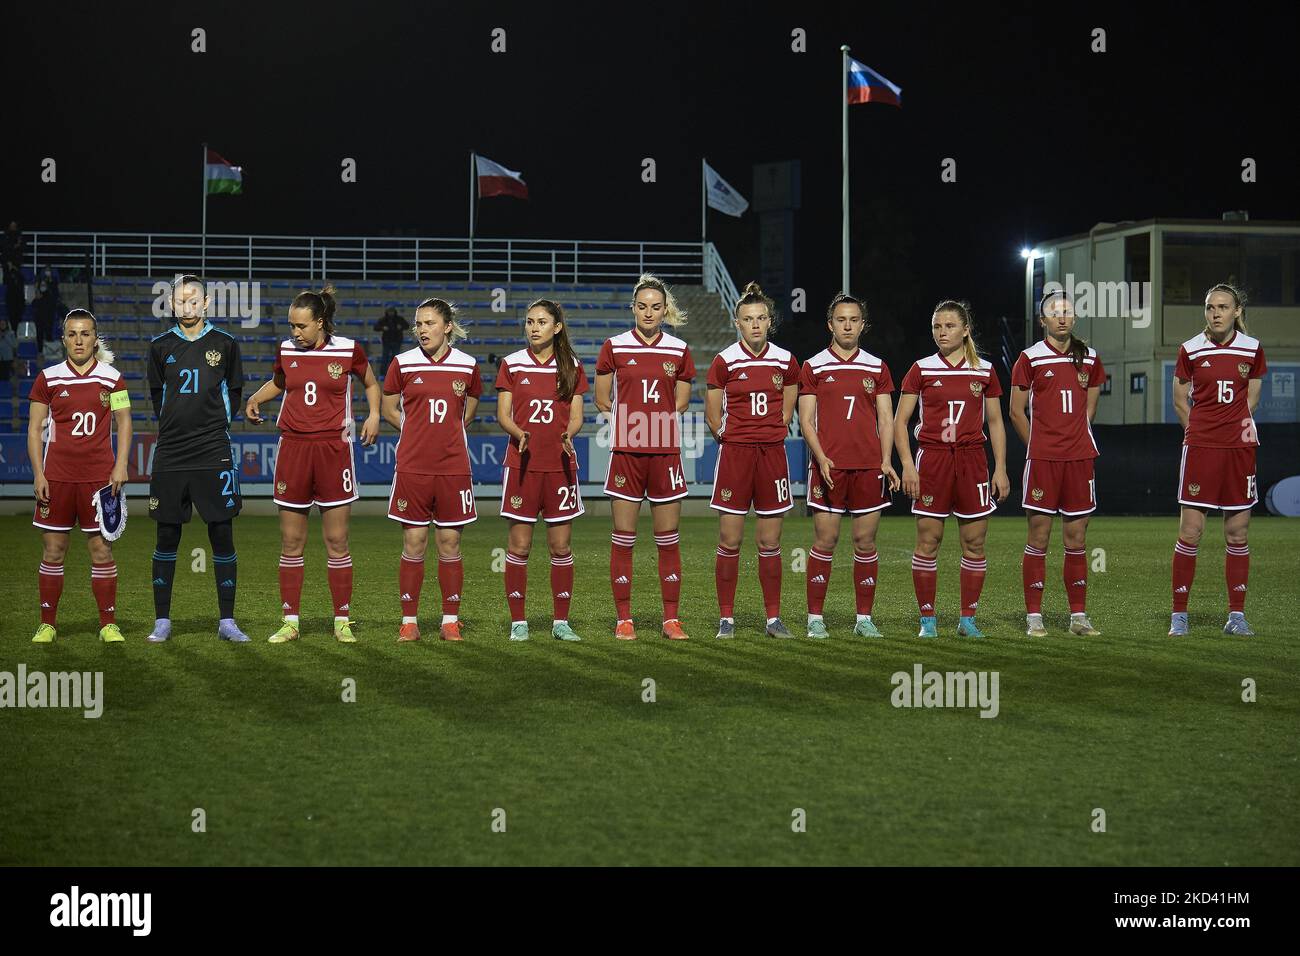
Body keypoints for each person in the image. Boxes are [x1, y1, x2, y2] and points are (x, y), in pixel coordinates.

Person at [245, 284, 381, 644]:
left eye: (301, 326)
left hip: (334, 451)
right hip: (293, 449)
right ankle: (290, 621)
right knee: (291, 541)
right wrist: (256, 398)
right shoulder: (286, 350)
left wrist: (374, 415)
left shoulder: (349, 350)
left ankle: (342, 621)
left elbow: (370, 383)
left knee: (337, 540)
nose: (295, 333)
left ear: (320, 323)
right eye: (292, 326)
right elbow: (280, 383)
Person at [894, 300, 1009, 638]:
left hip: (972, 461)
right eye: (936, 327)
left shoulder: (984, 371)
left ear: (965, 329)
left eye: (949, 326)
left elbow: (997, 422)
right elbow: (900, 422)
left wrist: (1000, 468)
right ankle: (927, 620)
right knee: (929, 540)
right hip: (932, 460)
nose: (942, 332)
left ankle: (967, 619)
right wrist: (906, 465)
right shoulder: (921, 369)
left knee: (974, 541)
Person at [145, 274, 249, 643]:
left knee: (221, 532)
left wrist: (210, 425)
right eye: (181, 300)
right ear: (172, 304)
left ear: (206, 304)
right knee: (167, 533)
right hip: (171, 453)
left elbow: (234, 393)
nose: (187, 306)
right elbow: (158, 397)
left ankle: (227, 621)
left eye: (194, 300)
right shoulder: (159, 347)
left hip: (212, 451)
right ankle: (162, 620)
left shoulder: (225, 343)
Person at [594, 274, 695, 641]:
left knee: (668, 536)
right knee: (624, 535)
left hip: (665, 453)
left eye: (656, 307)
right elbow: (602, 398)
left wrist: (656, 426)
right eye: (642, 306)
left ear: (664, 309)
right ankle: (624, 619)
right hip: (626, 453)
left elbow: (682, 402)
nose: (649, 313)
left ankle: (671, 620)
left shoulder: (679, 350)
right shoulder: (615, 346)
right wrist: (628, 425)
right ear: (633, 309)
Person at [797, 292, 900, 639]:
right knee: (825, 541)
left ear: (863, 325)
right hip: (829, 467)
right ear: (830, 324)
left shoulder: (877, 366)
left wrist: (886, 460)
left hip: (869, 466)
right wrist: (821, 456)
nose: (847, 325)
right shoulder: (813, 366)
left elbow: (886, 419)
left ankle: (864, 619)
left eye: (854, 320)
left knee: (865, 543)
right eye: (841, 319)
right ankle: (815, 618)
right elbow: (806, 420)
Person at [27, 310, 131, 643]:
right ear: (63, 339)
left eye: (85, 334)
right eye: (72, 334)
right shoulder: (48, 377)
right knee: (53, 550)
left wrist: (121, 464)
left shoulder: (112, 378)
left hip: (99, 479)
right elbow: (34, 429)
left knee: (102, 551)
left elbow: (125, 422)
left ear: (95, 337)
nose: (79, 340)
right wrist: (38, 473)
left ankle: (108, 624)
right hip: (56, 478)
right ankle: (47, 624)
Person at [1169, 283, 1266, 637]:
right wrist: (1198, 433)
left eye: (1223, 307)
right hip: (1201, 450)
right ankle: (1179, 615)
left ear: (1237, 310)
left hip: (1239, 449)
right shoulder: (1190, 350)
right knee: (1191, 532)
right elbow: (1180, 400)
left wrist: (1232, 429)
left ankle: (1236, 617)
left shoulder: (1252, 349)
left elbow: (1252, 399)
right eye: (1210, 307)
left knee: (1237, 535)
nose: (1216, 313)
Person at [381, 298, 481, 642]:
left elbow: (469, 407)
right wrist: (415, 432)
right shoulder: (402, 363)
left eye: (429, 323)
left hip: (454, 468)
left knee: (450, 543)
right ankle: (409, 621)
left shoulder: (467, 365)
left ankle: (450, 620)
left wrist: (450, 433)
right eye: (418, 324)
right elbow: (389, 406)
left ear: (447, 326)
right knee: (414, 541)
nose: (422, 330)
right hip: (413, 467)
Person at [705, 281, 800, 639]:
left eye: (761, 318)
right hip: (736, 455)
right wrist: (731, 437)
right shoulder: (725, 361)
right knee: (730, 539)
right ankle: (726, 618)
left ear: (769, 321)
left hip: (772, 454)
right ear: (737, 322)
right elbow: (713, 415)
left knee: (769, 542)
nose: (756, 324)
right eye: (748, 318)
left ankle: (773, 618)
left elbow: (790, 392)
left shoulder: (785, 360)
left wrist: (782, 420)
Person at [1009, 291, 1106, 637]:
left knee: (1076, 538)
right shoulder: (1030, 358)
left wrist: (1075, 437)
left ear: (1075, 317)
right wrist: (1038, 444)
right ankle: (1034, 617)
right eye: (1054, 312)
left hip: (1080, 458)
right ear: (1043, 320)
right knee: (1039, 536)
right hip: (1043, 460)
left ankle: (1078, 617)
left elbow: (1089, 410)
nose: (1061, 317)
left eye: (1067, 311)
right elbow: (1015, 411)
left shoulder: (1091, 359)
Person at [495, 299, 588, 642]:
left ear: (557, 327)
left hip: (560, 466)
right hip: (522, 466)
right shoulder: (512, 364)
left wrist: (569, 434)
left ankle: (560, 622)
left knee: (560, 547)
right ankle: (518, 621)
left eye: (542, 322)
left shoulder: (573, 367)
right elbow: (503, 414)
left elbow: (576, 416)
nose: (534, 328)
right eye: (530, 321)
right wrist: (519, 434)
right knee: (518, 547)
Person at [2, 222, 24, 332]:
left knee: (17, 304)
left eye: (15, 225)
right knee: (11, 302)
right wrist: (9, 264)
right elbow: (5, 253)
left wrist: (15, 267)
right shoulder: (6, 238)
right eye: (11, 225)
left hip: (16, 271)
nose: (13, 227)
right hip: (10, 273)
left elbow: (22, 251)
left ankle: (15, 326)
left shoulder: (20, 237)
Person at [375, 306, 409, 375]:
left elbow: (407, 326)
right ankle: (383, 373)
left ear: (394, 312)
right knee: (385, 357)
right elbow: (376, 327)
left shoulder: (399, 319)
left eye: (392, 312)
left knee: (395, 357)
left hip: (397, 341)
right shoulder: (384, 319)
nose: (391, 313)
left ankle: (394, 373)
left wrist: (401, 327)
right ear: (387, 312)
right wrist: (382, 328)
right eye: (389, 312)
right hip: (386, 341)